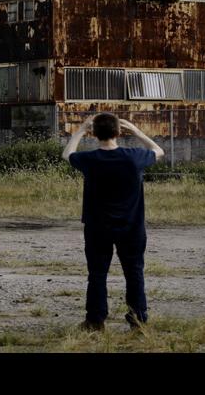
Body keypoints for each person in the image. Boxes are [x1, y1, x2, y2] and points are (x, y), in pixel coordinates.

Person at [62, 112, 164, 331]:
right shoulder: (133, 157)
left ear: (94, 134)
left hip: (98, 227)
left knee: (97, 273)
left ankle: (95, 321)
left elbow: (67, 154)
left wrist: (80, 130)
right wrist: (137, 131)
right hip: (131, 227)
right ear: (119, 132)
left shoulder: (89, 160)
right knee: (134, 272)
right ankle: (138, 320)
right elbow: (159, 151)